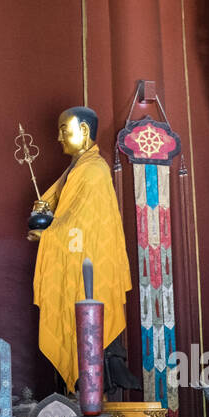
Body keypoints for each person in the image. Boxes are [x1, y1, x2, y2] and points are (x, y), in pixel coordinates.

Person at [29, 106, 132, 392]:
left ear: (84, 131)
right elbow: (65, 215)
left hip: (93, 275)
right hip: (76, 267)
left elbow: (80, 225)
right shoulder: (76, 170)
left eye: (65, 129)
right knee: (75, 339)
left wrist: (48, 235)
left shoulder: (94, 172)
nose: (59, 136)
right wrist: (46, 217)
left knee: (94, 342)